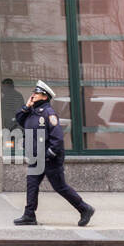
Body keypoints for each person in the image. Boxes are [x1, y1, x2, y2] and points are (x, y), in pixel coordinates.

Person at [13, 80, 94, 227]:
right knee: (32, 185)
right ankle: (29, 215)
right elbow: (19, 119)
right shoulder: (31, 112)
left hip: (49, 159)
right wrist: (26, 106)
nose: (33, 95)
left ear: (44, 96)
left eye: (36, 93)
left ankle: (84, 208)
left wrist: (50, 154)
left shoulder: (49, 114)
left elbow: (57, 138)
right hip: (36, 157)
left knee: (60, 187)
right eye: (34, 92)